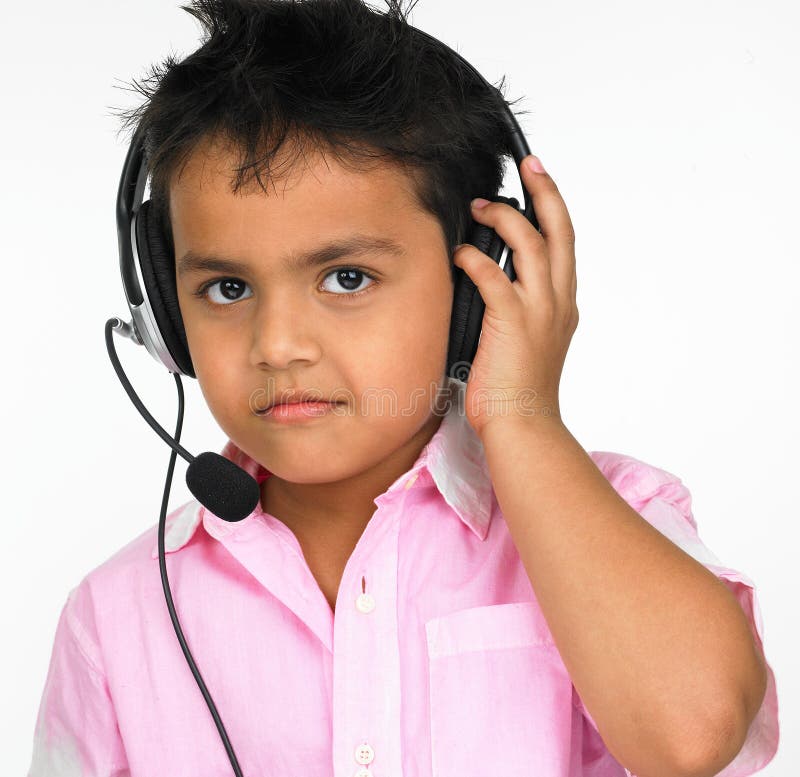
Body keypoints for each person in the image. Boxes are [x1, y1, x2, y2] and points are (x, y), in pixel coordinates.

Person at [28, 0, 779, 775]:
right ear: (164, 309)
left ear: (479, 283)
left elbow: (693, 736)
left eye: (347, 277)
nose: (278, 345)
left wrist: (521, 420)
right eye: (225, 289)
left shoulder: (620, 521)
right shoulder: (118, 617)